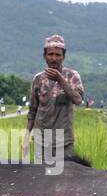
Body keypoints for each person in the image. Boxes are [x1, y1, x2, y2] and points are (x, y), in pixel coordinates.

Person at [26, 34, 86, 163]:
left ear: (63, 57)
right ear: (44, 56)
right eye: (50, 54)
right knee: (41, 178)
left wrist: (61, 80)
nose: (54, 58)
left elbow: (78, 100)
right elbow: (32, 111)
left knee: (65, 178)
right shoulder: (38, 79)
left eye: (58, 55)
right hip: (41, 141)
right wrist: (26, 137)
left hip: (64, 141)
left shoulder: (72, 76)